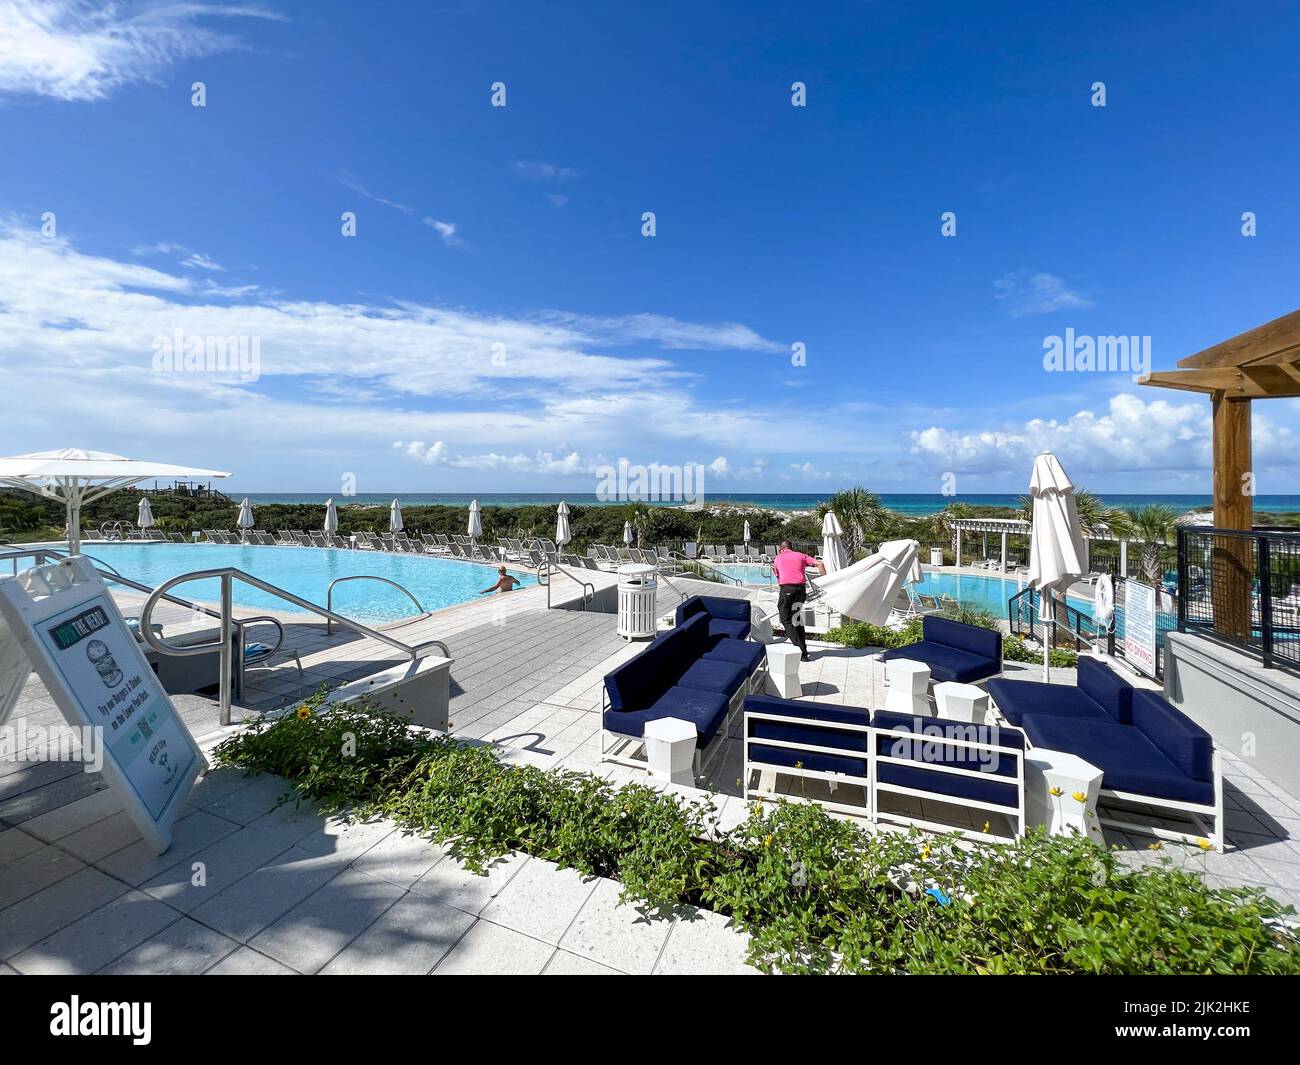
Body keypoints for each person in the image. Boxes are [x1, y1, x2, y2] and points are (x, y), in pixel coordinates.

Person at [771, 539, 825, 661]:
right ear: (791, 547)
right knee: (796, 618)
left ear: (781, 549)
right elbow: (820, 564)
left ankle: (800, 650)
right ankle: (804, 653)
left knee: (786, 619)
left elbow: (778, 578)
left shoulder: (778, 558)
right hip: (801, 591)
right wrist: (825, 583)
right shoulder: (801, 556)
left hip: (787, 589)